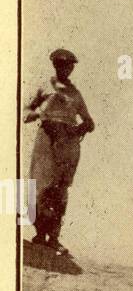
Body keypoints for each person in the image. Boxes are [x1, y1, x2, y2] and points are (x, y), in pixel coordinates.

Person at [24, 48, 94, 252]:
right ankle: (39, 233)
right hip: (46, 137)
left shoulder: (75, 94)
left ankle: (53, 238)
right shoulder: (44, 86)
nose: (66, 69)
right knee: (39, 187)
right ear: (55, 65)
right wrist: (39, 113)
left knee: (60, 190)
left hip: (68, 141)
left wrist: (82, 127)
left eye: (69, 65)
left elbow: (89, 121)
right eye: (62, 65)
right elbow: (26, 112)